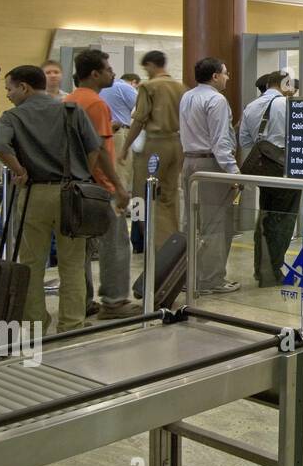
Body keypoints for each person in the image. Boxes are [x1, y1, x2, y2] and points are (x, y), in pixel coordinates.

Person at [0, 65, 102, 332]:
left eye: (9, 88)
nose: (7, 94)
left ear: (24, 88)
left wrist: (19, 171)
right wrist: (81, 174)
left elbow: (0, 147)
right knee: (73, 263)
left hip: (34, 194)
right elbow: (94, 147)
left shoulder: (12, 117)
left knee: (31, 262)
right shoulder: (71, 110)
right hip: (72, 195)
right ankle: (72, 323)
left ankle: (35, 321)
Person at [65, 50, 141, 319]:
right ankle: (115, 301)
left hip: (76, 185)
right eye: (109, 69)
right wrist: (117, 187)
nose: (113, 73)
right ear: (95, 73)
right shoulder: (96, 104)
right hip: (99, 186)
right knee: (116, 243)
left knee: (82, 249)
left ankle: (82, 300)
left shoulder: (71, 99)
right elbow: (96, 150)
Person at [179, 57, 240, 295]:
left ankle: (191, 275)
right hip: (210, 164)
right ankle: (212, 279)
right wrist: (234, 173)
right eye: (225, 73)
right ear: (215, 76)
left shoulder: (188, 96)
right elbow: (220, 142)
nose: (227, 77)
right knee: (216, 223)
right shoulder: (216, 100)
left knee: (193, 222)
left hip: (190, 162)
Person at [121, 50, 186, 247]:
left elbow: (139, 120)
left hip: (155, 145)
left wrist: (125, 147)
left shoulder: (148, 86)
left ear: (151, 65)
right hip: (177, 143)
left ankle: (149, 240)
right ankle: (172, 241)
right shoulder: (181, 87)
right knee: (170, 194)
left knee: (141, 194)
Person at [240, 70, 297, 288]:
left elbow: (244, 141)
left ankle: (260, 268)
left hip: (263, 168)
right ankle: (273, 269)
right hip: (286, 168)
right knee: (283, 219)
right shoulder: (286, 105)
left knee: (265, 217)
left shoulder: (251, 106)